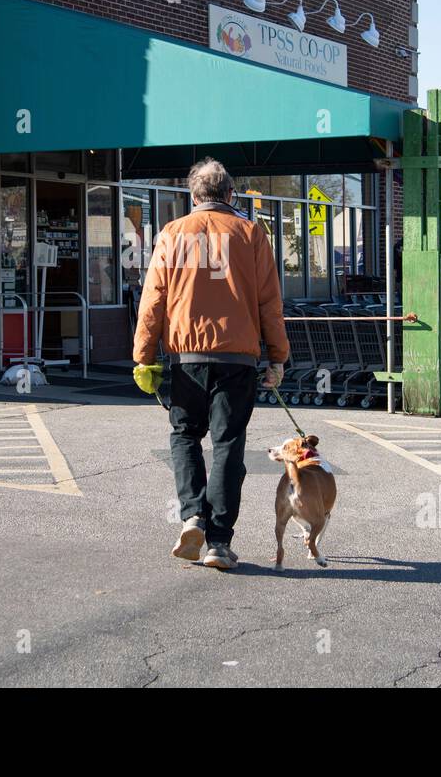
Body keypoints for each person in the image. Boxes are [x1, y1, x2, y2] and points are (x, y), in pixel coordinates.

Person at [132, 158, 289, 570]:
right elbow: (269, 303)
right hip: (237, 356)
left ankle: (192, 516)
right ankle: (219, 542)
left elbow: (153, 301)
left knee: (184, 435)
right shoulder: (251, 233)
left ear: (193, 196)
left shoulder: (171, 233)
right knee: (228, 443)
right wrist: (277, 357)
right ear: (231, 195)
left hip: (186, 358)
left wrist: (143, 357)